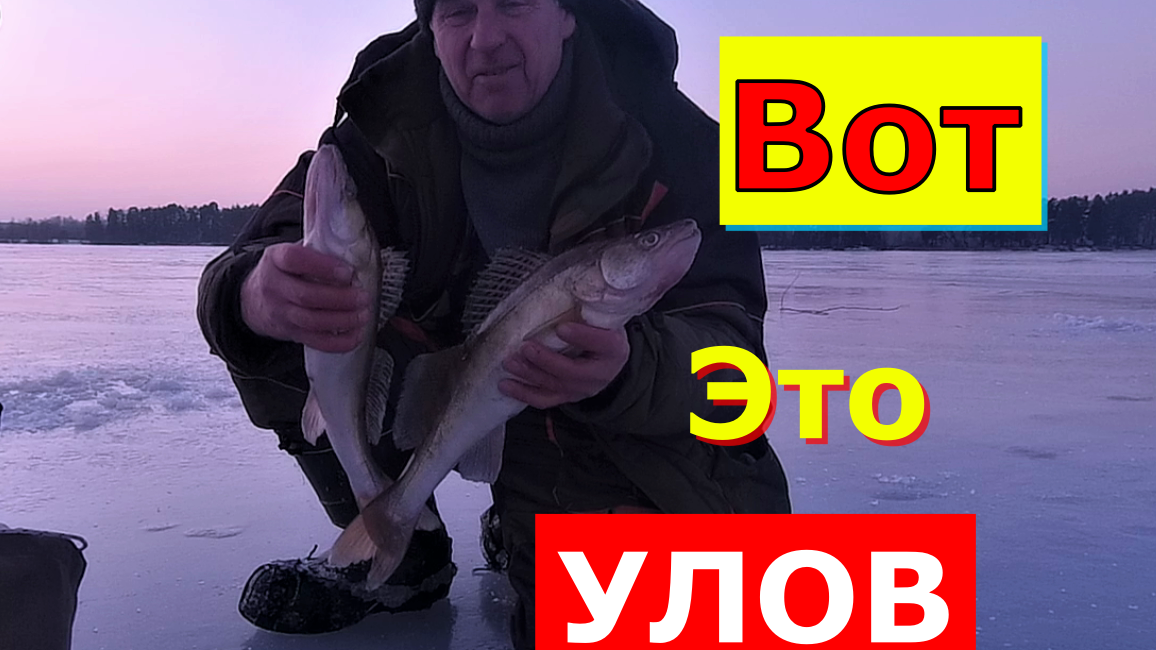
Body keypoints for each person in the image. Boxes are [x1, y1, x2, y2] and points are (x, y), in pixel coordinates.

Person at [196, 0, 791, 646]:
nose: (485, 38)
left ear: (567, 14)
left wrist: (626, 371)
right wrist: (252, 294)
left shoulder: (682, 143)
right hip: (436, 376)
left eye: (513, 3)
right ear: (431, 28)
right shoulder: (377, 124)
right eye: (458, 11)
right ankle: (398, 544)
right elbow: (253, 253)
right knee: (280, 333)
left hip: (590, 430)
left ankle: (526, 526)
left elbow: (734, 370)